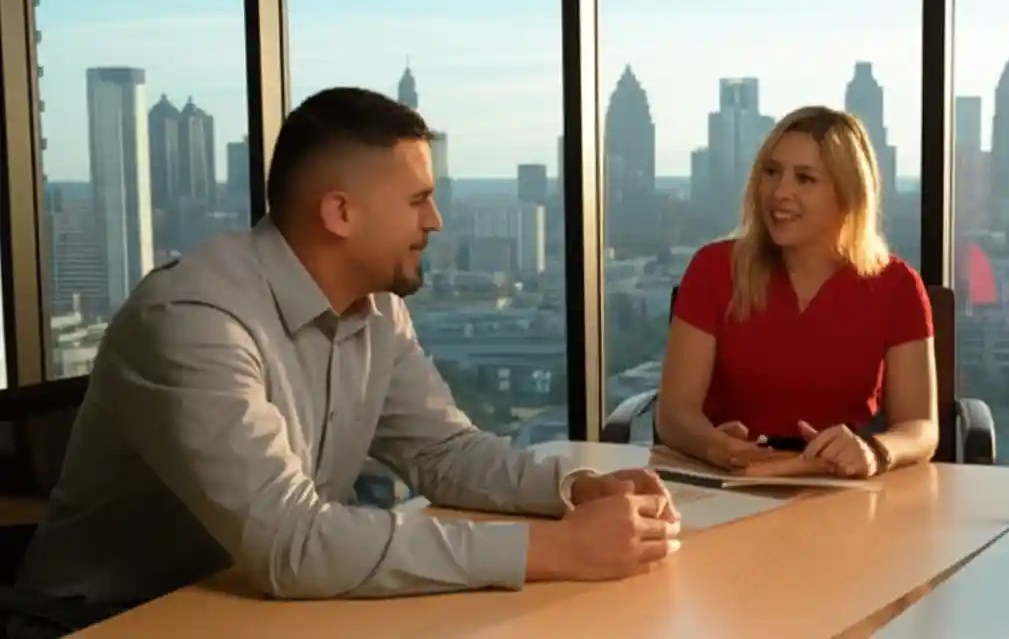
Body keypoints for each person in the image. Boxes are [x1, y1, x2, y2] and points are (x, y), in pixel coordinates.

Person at [15, 88, 681, 621]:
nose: (437, 221)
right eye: (418, 199)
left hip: (259, 608)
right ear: (340, 213)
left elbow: (440, 452)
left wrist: (570, 490)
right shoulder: (192, 323)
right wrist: (556, 550)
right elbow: (289, 542)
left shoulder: (375, 308)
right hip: (110, 620)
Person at [655, 106, 938, 479]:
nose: (780, 192)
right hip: (729, 481)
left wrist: (875, 452)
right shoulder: (713, 269)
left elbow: (920, 428)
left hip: (841, 489)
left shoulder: (897, 286)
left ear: (847, 194)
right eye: (772, 173)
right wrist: (714, 446)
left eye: (804, 179)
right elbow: (674, 413)